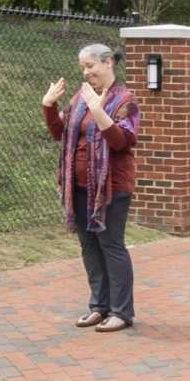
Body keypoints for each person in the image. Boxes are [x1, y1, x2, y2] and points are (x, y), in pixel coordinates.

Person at [43, 43, 140, 332]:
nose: (86, 73)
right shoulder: (81, 97)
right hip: (81, 186)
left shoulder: (125, 100)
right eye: (83, 67)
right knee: (89, 246)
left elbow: (122, 141)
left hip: (112, 187)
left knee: (111, 245)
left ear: (108, 62)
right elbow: (59, 132)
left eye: (90, 66)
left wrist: (99, 111)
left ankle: (121, 312)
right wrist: (49, 106)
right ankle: (99, 306)